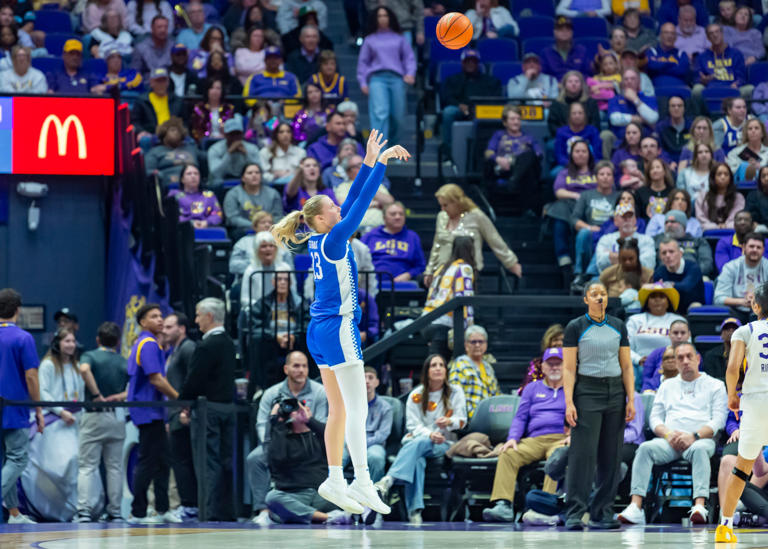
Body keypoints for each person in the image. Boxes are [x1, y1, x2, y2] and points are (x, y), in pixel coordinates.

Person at [271, 130, 408, 516]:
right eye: (331, 207)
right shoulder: (332, 241)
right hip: (339, 327)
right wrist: (380, 165)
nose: (338, 208)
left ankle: (335, 478)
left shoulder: (321, 240)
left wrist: (368, 160)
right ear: (319, 218)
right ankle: (362, 480)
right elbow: (361, 204)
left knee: (339, 409)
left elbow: (351, 202)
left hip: (320, 331)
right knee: (357, 408)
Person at [618, 341, 727, 525]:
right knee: (645, 448)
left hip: (700, 439)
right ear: (675, 362)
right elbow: (655, 419)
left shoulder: (715, 385)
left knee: (700, 450)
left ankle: (699, 505)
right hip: (671, 440)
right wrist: (668, 434)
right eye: (680, 358)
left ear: (698, 359)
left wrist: (694, 436)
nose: (685, 361)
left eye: (689, 356)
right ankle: (636, 506)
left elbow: (718, 421)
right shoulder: (667, 386)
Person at [562, 281, 635, 530]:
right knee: (583, 455)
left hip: (615, 391)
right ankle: (574, 512)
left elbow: (626, 366)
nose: (599, 298)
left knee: (611, 455)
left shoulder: (618, 326)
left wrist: (631, 399)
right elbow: (569, 368)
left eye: (603, 294)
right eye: (594, 294)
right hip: (587, 391)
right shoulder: (575, 327)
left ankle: (602, 512)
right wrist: (569, 402)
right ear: (586, 300)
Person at [375, 354, 467, 525]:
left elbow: (462, 421)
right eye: (434, 365)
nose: (438, 368)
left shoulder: (455, 392)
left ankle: (389, 480)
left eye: (441, 365)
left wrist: (449, 421)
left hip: (445, 444)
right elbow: (412, 425)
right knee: (418, 459)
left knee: (418, 444)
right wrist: (429, 434)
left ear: (446, 371)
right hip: (421, 443)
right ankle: (415, 512)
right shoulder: (416, 395)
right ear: (427, 371)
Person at [482, 347, 568, 522]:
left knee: (557, 458)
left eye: (558, 364)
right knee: (508, 453)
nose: (554, 368)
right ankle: (503, 505)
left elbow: (580, 415)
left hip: (561, 438)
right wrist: (512, 438)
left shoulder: (573, 387)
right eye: (550, 364)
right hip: (534, 439)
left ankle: (546, 508)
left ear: (565, 366)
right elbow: (520, 417)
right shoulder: (532, 388)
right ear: (542, 367)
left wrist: (573, 436)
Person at [247, 350, 328, 525]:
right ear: (286, 369)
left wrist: (307, 421)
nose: (301, 370)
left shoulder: (320, 391)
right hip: (279, 439)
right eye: (296, 366)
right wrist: (272, 438)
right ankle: (263, 510)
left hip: (310, 440)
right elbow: (261, 424)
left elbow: (322, 424)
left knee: (337, 453)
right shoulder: (271, 393)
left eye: (304, 366)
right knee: (255, 458)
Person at [716, 282, 768, 542]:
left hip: (756, 401)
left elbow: (733, 367)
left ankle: (725, 526)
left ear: (756, 306)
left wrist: (731, 396)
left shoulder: (744, 331)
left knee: (742, 467)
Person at [179, 298, 237, 521]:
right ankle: (226, 512)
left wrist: (183, 402)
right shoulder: (229, 343)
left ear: (209, 317)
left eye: (198, 315)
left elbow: (194, 380)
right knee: (225, 462)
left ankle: (209, 513)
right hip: (227, 409)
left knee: (207, 463)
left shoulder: (206, 345)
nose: (196, 320)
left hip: (208, 412)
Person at [126, 303, 180, 524]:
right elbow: (156, 379)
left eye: (161, 316)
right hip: (148, 411)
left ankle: (163, 508)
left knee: (163, 460)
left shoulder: (148, 343)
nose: (160, 319)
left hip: (153, 411)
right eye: (154, 316)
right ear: (142, 322)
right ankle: (138, 512)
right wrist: (179, 398)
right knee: (148, 461)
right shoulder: (148, 344)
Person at [21, 328, 83, 521]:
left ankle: (71, 511)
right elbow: (44, 392)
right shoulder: (48, 365)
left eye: (73, 341)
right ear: (57, 344)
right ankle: (47, 509)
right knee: (57, 467)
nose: (71, 345)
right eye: (67, 341)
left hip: (73, 423)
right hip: (54, 423)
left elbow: (79, 394)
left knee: (75, 466)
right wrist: (60, 411)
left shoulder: (75, 366)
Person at [263, 394, 350, 524]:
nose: (298, 411)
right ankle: (328, 518)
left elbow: (333, 437)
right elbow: (278, 459)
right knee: (272, 498)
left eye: (301, 407)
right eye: (294, 409)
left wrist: (309, 420)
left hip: (323, 494)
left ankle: (307, 516)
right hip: (296, 496)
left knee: (349, 489)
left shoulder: (318, 434)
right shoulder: (281, 438)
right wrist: (277, 422)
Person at [73, 322, 128, 523]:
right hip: (117, 415)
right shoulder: (122, 360)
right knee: (114, 466)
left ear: (98, 340)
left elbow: (84, 370)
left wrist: (97, 394)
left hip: (94, 414)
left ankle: (84, 511)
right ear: (118, 341)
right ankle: (115, 511)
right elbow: (131, 390)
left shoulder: (90, 356)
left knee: (87, 466)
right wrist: (116, 397)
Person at [0, 288, 44, 525]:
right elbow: (31, 377)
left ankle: (14, 514)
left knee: (6, 461)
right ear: (18, 310)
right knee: (17, 459)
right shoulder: (23, 338)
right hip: (13, 408)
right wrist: (38, 410)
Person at [425, 183, 521, 286]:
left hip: (469, 273)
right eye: (441, 205)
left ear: (457, 202)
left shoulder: (476, 216)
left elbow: (494, 239)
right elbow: (436, 246)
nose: (442, 209)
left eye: (445, 205)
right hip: (442, 273)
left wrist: (511, 263)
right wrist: (429, 271)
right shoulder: (442, 217)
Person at [356, 7, 416, 146]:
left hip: (396, 78)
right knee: (380, 114)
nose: (382, 18)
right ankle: (379, 152)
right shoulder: (370, 40)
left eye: (385, 15)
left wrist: (410, 73)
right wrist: (363, 82)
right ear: (375, 19)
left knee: (398, 117)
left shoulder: (399, 38)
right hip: (377, 79)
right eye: (379, 16)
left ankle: (394, 149)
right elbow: (363, 63)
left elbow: (409, 58)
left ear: (390, 18)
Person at [162, 312, 198, 520]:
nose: (164, 331)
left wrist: (186, 409)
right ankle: (188, 504)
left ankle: (190, 505)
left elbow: (191, 381)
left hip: (183, 414)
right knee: (180, 460)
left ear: (181, 329)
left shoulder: (187, 348)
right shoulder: (174, 351)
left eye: (169, 327)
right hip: (175, 413)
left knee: (184, 461)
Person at [549, 140, 599, 281]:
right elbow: (559, 191)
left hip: (591, 204)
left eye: (584, 151)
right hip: (570, 204)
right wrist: (577, 195)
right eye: (577, 151)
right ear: (572, 154)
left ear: (589, 154)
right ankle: (564, 259)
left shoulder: (596, 172)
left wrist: (585, 198)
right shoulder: (564, 172)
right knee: (559, 210)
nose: (580, 154)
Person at [419, 236, 476, 359]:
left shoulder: (442, 268)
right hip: (443, 324)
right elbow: (465, 299)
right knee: (441, 365)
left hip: (426, 321)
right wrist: (470, 330)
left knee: (435, 363)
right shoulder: (464, 268)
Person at [440, 48, 502, 155]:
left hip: (482, 111)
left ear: (478, 63)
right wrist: (459, 105)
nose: (470, 64)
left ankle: (494, 150)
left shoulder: (490, 80)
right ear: (462, 63)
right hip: (460, 110)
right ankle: (448, 150)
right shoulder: (453, 79)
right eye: (467, 61)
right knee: (448, 112)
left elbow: (495, 98)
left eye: (473, 61)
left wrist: (478, 108)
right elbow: (446, 97)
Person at [483, 105, 543, 215]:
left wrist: (523, 159)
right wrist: (498, 159)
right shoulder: (498, 135)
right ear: (505, 122)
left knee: (529, 156)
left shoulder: (528, 137)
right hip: (503, 168)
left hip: (522, 171)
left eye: (518, 119)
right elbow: (488, 152)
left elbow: (538, 154)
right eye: (512, 119)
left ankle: (514, 180)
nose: (516, 122)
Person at [570, 161, 619, 285]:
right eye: (602, 174)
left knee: (607, 235)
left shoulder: (619, 196)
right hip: (592, 233)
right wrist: (589, 227)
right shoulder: (586, 195)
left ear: (613, 178)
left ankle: (589, 274)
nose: (605, 177)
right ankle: (579, 273)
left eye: (609, 174)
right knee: (583, 233)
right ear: (596, 177)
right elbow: (574, 219)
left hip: (612, 234)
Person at [342, 366, 392, 482]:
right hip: (349, 444)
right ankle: (336, 494)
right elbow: (342, 429)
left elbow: (382, 434)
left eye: (370, 377)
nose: (367, 381)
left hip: (374, 444)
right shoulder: (348, 404)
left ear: (377, 382)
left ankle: (374, 492)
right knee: (336, 458)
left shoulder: (386, 407)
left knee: (376, 457)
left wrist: (359, 445)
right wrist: (350, 444)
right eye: (363, 377)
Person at [627, 282, 686, 372]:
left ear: (668, 302)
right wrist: (638, 360)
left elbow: (687, 346)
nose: (657, 300)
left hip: (672, 366)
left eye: (662, 297)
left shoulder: (679, 320)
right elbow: (625, 348)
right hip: (639, 366)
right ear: (647, 302)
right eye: (653, 297)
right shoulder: (634, 320)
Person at [361, 201, 425, 283]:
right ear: (384, 217)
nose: (398, 217)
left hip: (403, 285)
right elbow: (358, 261)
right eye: (393, 214)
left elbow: (420, 266)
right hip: (373, 283)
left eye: (401, 214)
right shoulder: (369, 236)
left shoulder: (412, 237)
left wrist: (408, 275)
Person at [447, 324, 501, 420]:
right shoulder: (460, 364)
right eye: (473, 342)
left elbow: (496, 395)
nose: (477, 345)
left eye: (481, 342)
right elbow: (453, 396)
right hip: (469, 419)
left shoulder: (488, 367)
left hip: (489, 418)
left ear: (486, 345)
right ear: (466, 345)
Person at [715, 233, 768, 322]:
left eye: (758, 247)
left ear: (763, 250)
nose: (755, 250)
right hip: (735, 312)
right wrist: (742, 301)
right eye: (751, 246)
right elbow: (718, 298)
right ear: (743, 248)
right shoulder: (730, 267)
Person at [223, 163, 283, 240]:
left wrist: (266, 225)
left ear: (261, 176)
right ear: (243, 178)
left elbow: (278, 216)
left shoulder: (273, 193)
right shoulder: (233, 194)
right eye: (250, 173)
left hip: (269, 229)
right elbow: (232, 218)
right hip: (243, 230)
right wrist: (256, 226)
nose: (254, 175)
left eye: (257, 172)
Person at [594, 202, 656, 273]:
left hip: (638, 280)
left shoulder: (646, 240)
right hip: (612, 280)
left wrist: (613, 256)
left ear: (635, 220)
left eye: (630, 216)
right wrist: (634, 258)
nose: (627, 220)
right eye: (623, 217)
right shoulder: (606, 239)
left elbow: (648, 265)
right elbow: (601, 263)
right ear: (615, 221)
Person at [240, 230, 294, 308]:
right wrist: (261, 306)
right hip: (258, 311)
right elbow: (244, 299)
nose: (268, 249)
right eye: (264, 246)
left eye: (271, 246)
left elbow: (293, 293)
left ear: (276, 249)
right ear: (257, 250)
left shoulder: (285, 268)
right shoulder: (251, 270)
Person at [607, 68, 659, 147]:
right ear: (622, 82)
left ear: (639, 81)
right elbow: (614, 119)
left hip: (645, 140)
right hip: (621, 140)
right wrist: (641, 120)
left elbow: (652, 119)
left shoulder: (649, 99)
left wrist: (635, 100)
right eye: (626, 79)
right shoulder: (615, 99)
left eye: (633, 78)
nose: (629, 81)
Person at [145, 118, 202, 188]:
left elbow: (207, 157)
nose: (176, 132)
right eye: (172, 130)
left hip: (195, 185)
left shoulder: (191, 148)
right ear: (164, 134)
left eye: (178, 131)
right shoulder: (155, 151)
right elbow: (148, 171)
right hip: (170, 186)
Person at [208, 114, 264, 185]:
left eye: (237, 134)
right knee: (216, 183)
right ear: (225, 135)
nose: (235, 137)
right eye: (231, 134)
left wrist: (246, 154)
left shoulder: (252, 148)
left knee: (262, 180)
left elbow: (259, 170)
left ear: (242, 134)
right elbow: (215, 173)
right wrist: (228, 153)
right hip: (223, 179)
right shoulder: (215, 149)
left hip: (246, 179)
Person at [654, 236, 706, 312]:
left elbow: (687, 287)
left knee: (696, 306)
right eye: (664, 253)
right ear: (660, 257)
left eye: (671, 252)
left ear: (680, 253)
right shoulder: (659, 271)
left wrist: (667, 285)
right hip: (669, 309)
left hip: (691, 308)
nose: (667, 256)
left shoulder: (693, 268)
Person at [652, 210, 712, 276]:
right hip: (664, 278)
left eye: (673, 222)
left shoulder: (698, 242)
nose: (669, 225)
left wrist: (691, 275)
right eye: (666, 222)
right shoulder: (656, 240)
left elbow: (706, 265)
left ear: (683, 226)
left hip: (694, 276)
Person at [600, 237, 654, 308]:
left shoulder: (649, 275)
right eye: (624, 259)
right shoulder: (607, 274)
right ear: (619, 258)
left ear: (637, 257)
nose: (627, 262)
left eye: (631, 259)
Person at [639, 318, 691, 392]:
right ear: (669, 334)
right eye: (675, 333)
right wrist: (648, 390)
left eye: (683, 333)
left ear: (689, 335)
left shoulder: (694, 356)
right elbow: (646, 379)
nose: (679, 336)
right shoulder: (656, 353)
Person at [131, 68, 185, 140]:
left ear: (168, 82)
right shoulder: (142, 101)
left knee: (190, 141)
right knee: (144, 140)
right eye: (158, 81)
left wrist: (181, 132)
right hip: (152, 135)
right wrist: (141, 131)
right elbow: (135, 122)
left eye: (163, 81)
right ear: (151, 83)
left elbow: (184, 122)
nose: (161, 84)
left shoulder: (177, 100)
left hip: (174, 135)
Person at [547, 71, 601, 138]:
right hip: (563, 138)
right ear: (564, 85)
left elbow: (595, 125)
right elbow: (553, 126)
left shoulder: (591, 103)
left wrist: (581, 138)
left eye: (576, 81)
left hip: (586, 138)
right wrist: (569, 137)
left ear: (582, 85)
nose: (573, 84)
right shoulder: (556, 104)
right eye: (570, 81)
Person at [695, 162, 745, 231]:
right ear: (713, 177)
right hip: (708, 229)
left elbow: (736, 217)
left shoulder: (738, 197)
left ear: (730, 178)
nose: (723, 177)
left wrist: (726, 225)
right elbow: (700, 218)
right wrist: (715, 227)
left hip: (731, 229)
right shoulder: (702, 196)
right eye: (719, 174)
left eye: (726, 174)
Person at [540, 16, 591, 81]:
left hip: (578, 88)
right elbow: (543, 76)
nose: (564, 31)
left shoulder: (582, 50)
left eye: (568, 29)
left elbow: (588, 74)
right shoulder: (546, 53)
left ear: (572, 32)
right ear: (554, 32)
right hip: (555, 88)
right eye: (560, 29)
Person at [519, 325, 564, 395]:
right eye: (555, 340)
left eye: (562, 340)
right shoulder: (538, 364)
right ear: (548, 342)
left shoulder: (573, 363)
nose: (560, 343)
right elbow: (524, 391)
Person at [554, 102, 602, 168]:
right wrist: (572, 165)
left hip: (589, 165)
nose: (577, 116)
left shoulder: (593, 131)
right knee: (555, 173)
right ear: (569, 115)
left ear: (585, 115)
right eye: (574, 113)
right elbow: (560, 156)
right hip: (567, 165)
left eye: (580, 113)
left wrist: (586, 165)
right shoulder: (561, 132)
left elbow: (597, 154)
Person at [189, 77, 236, 143]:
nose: (215, 91)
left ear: (222, 91)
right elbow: (196, 130)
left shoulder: (228, 108)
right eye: (212, 88)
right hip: (205, 142)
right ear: (207, 90)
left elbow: (232, 130)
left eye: (218, 88)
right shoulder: (199, 108)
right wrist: (208, 137)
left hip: (225, 142)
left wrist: (224, 136)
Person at [646, 23, 690, 88]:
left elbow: (682, 70)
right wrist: (673, 64)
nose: (669, 36)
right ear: (660, 35)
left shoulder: (681, 54)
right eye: (666, 33)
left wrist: (660, 65)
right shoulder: (652, 52)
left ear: (676, 37)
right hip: (657, 91)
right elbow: (651, 66)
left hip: (679, 91)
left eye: (672, 33)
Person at [130, 15, 172, 80]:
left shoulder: (173, 46)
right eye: (159, 27)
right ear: (152, 28)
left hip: (168, 84)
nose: (163, 30)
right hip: (147, 85)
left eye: (165, 27)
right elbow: (135, 74)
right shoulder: (140, 48)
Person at [702, 317, 741, 381]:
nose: (731, 331)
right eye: (727, 328)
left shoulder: (749, 355)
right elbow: (709, 381)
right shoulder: (710, 355)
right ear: (721, 334)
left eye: (735, 329)